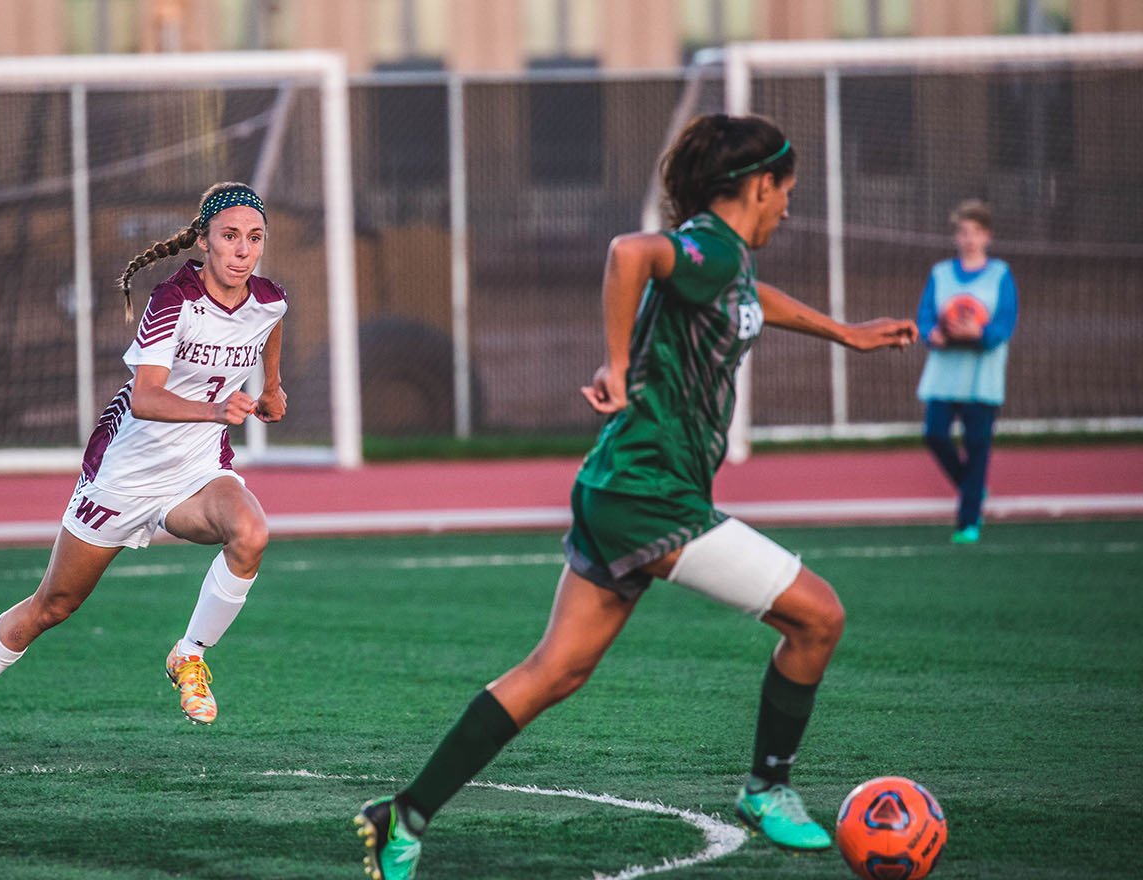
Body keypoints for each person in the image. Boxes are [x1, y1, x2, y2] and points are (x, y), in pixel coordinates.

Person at [352, 114, 918, 879]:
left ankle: (402, 816)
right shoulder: (708, 248)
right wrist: (616, 365)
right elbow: (629, 253)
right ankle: (768, 786)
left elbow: (754, 301)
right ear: (758, 186)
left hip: (617, 487)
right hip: (654, 497)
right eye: (787, 190)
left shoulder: (724, 259)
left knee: (557, 670)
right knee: (819, 618)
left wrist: (844, 333)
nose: (790, 205)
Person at [0, 182, 288, 777]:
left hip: (196, 470)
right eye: (230, 237)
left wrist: (268, 388)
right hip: (125, 473)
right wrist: (221, 409)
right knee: (52, 606)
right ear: (205, 240)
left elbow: (268, 327)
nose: (243, 250)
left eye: (255, 238)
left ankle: (188, 655)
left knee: (251, 532)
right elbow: (145, 397)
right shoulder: (174, 301)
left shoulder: (268, 298)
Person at [916, 199, 1018, 544]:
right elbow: (926, 317)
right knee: (935, 434)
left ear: (987, 236)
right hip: (944, 374)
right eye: (963, 231)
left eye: (975, 231)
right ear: (955, 236)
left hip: (982, 376)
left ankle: (967, 521)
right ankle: (972, 488)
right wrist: (934, 335)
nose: (969, 238)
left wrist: (980, 335)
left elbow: (1004, 322)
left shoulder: (1000, 274)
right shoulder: (941, 273)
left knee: (977, 444)